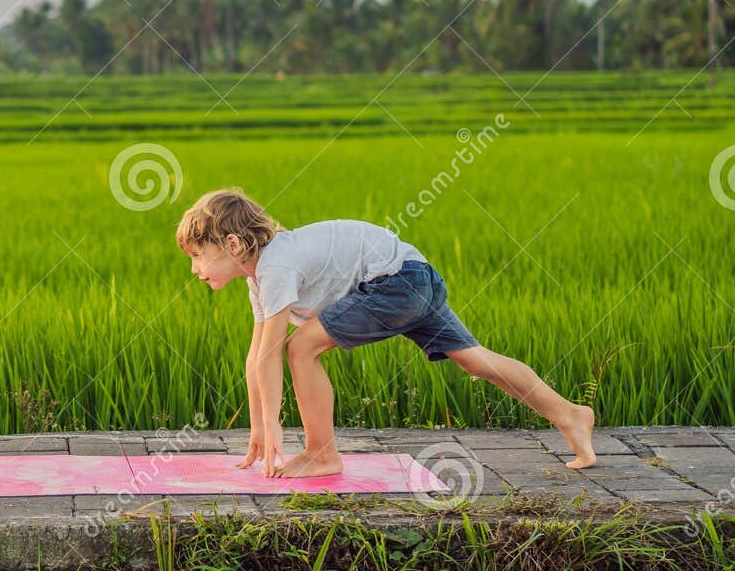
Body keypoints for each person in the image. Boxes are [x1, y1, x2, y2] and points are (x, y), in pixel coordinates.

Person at [175, 188, 597, 477]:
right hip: (415, 276)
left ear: (232, 245)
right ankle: (570, 414)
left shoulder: (275, 266)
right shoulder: (262, 275)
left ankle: (322, 453)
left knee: (301, 348)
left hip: (395, 283)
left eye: (197, 256)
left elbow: (271, 353)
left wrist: (271, 426)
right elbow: (256, 355)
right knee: (474, 358)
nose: (194, 269)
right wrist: (258, 428)